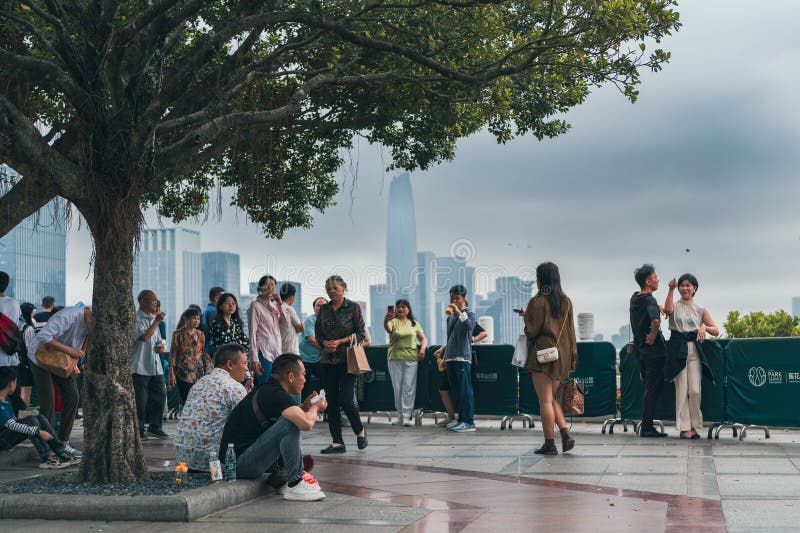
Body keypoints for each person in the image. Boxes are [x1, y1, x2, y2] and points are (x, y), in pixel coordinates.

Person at [219, 353, 328, 501]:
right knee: (291, 421)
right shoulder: (274, 394)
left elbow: (289, 416)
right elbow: (306, 424)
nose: (305, 379)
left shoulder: (269, 390)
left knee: (292, 418)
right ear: (291, 377)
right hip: (238, 466)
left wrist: (305, 406)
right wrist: (315, 408)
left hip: (241, 461)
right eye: (303, 375)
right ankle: (295, 482)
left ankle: (281, 478)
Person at [522, 262, 579, 455]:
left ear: (541, 279)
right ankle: (565, 434)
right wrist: (572, 359)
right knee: (552, 398)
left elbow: (531, 330)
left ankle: (549, 443)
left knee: (545, 401)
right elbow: (571, 333)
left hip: (542, 356)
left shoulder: (537, 302)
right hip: (562, 356)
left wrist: (526, 317)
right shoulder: (566, 301)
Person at [27, 306, 91, 456]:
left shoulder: (92, 325)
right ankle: (48, 446)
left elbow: (83, 345)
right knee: (48, 400)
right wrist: (70, 351)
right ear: (90, 314)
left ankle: (63, 442)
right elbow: (44, 337)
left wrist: (74, 361)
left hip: (61, 361)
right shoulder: (69, 316)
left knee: (73, 396)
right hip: (39, 357)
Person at [174, 344, 248, 471]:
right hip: (211, 462)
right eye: (245, 363)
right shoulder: (234, 387)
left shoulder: (200, 382)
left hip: (182, 458)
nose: (247, 369)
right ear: (230, 365)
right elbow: (247, 425)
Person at [315, 275, 368, 453]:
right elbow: (318, 333)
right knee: (332, 401)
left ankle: (360, 430)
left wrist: (340, 341)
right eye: (328, 289)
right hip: (327, 360)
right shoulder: (323, 309)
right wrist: (324, 343)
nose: (331, 292)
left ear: (343, 288)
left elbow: (360, 335)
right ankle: (337, 442)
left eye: (335, 289)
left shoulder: (353, 308)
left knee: (346, 400)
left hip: (347, 360)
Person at [664, 274, 720, 439]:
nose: (685, 288)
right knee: (681, 390)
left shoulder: (700, 309)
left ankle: (695, 424)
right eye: (682, 285)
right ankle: (684, 428)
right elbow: (667, 310)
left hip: (695, 350)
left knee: (695, 390)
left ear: (694, 288)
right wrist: (670, 289)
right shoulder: (674, 305)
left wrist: (704, 327)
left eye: (689, 285)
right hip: (677, 350)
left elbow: (716, 330)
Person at [0, 367, 77, 468]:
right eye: (16, 382)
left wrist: (33, 418)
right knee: (31, 421)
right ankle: (48, 457)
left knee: (39, 418)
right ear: (11, 383)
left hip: (6, 435)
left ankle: (61, 451)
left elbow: (13, 419)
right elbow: (12, 425)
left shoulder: (6, 399)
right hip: (2, 440)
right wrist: (38, 432)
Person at [630, 264, 668, 438]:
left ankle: (647, 424)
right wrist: (653, 335)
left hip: (640, 351)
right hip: (654, 352)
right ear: (648, 281)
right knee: (652, 390)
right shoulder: (650, 300)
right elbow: (656, 321)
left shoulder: (634, 298)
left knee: (648, 388)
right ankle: (647, 428)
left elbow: (647, 307)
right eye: (655, 277)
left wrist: (657, 305)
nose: (657, 279)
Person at [131, 290, 170, 440]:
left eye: (155, 300)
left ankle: (156, 426)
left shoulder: (154, 319)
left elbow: (159, 341)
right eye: (152, 300)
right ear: (142, 301)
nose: (155, 303)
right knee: (140, 400)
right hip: (140, 365)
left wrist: (161, 347)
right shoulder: (136, 319)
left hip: (155, 364)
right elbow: (144, 337)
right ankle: (139, 429)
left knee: (160, 395)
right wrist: (157, 322)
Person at [434, 322, 486, 427]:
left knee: (462, 389)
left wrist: (472, 339)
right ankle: (452, 417)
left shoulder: (467, 319)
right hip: (449, 358)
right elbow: (453, 339)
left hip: (462, 359)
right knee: (443, 389)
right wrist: (444, 349)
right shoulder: (452, 320)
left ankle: (465, 420)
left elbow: (484, 333)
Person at [384, 299, 427, 426]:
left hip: (411, 358)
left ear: (408, 309)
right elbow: (388, 329)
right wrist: (386, 319)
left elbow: (423, 339)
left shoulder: (414, 324)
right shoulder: (393, 321)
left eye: (403, 307)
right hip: (395, 358)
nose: (401, 309)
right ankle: (400, 415)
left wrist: (423, 350)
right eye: (398, 307)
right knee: (398, 388)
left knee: (408, 387)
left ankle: (407, 416)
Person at [443, 285, 476, 433]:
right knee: (456, 391)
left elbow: (469, 326)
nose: (454, 300)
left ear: (464, 299)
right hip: (451, 358)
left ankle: (469, 422)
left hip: (462, 357)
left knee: (465, 390)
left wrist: (458, 312)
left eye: (457, 298)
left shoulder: (469, 313)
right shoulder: (450, 317)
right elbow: (449, 338)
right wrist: (445, 356)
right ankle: (461, 419)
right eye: (452, 298)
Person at [168, 307, 211, 404]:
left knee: (197, 397)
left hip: (198, 371)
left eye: (198, 319)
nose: (196, 321)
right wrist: (171, 372)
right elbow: (173, 353)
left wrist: (207, 369)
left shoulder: (200, 334)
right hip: (183, 371)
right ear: (186, 319)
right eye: (194, 318)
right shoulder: (178, 334)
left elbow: (202, 353)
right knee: (186, 398)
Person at [247, 276, 285, 383]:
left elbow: (286, 324)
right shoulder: (255, 306)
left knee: (277, 383)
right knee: (266, 384)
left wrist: (280, 304)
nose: (270, 287)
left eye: (273, 284)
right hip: (263, 351)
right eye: (267, 284)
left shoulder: (275, 305)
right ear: (260, 288)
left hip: (277, 350)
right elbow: (252, 332)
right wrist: (254, 358)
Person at [0, 271, 24, 416]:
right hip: (11, 356)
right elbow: (20, 326)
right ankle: (12, 425)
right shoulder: (14, 303)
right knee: (11, 392)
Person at [299, 297, 327, 401]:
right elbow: (311, 339)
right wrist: (326, 348)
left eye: (323, 305)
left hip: (319, 359)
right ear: (314, 308)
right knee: (304, 386)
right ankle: (304, 410)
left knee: (327, 382)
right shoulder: (310, 320)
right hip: (305, 359)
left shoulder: (328, 321)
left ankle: (324, 408)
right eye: (318, 305)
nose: (321, 307)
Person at [207, 293, 249, 358]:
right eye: (227, 303)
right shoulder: (216, 323)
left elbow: (246, 341)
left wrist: (240, 344)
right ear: (220, 306)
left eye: (233, 303)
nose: (231, 306)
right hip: (222, 358)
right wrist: (239, 343)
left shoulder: (236, 323)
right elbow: (224, 343)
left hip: (235, 357)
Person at [15, 302, 37, 408]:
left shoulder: (16, 326)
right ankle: (25, 416)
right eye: (33, 311)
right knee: (26, 392)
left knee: (18, 391)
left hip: (15, 361)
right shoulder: (29, 329)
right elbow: (31, 349)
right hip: (26, 364)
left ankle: (18, 415)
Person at [279, 284, 304, 356]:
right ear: (292, 297)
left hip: (279, 350)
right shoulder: (288, 308)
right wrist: (301, 328)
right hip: (290, 350)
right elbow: (300, 328)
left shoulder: (275, 308)